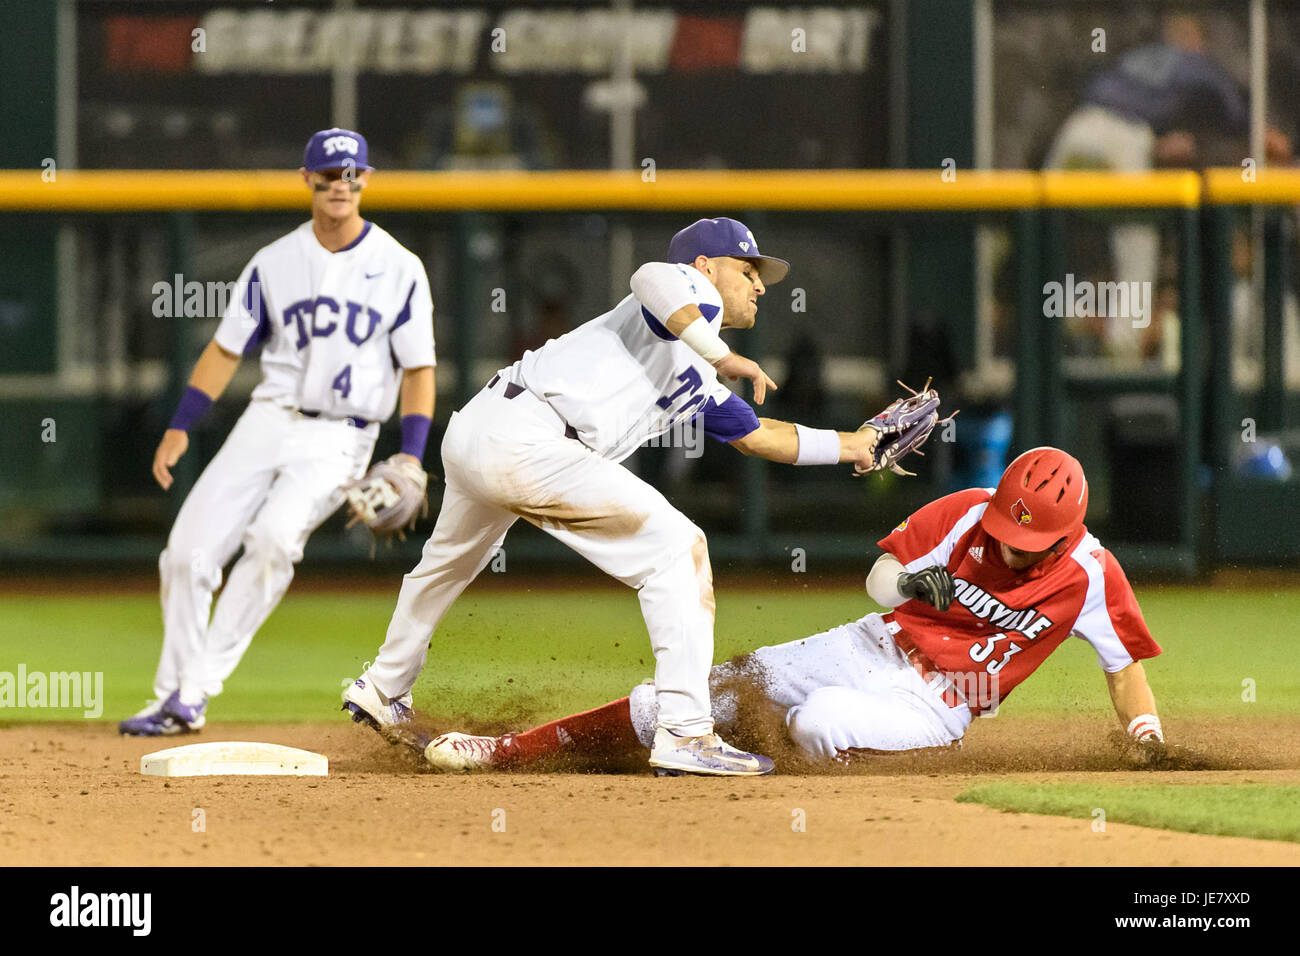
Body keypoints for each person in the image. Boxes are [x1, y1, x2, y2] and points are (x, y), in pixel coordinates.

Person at [341, 217, 914, 778]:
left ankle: (384, 686)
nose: (760, 284)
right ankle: (688, 731)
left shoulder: (694, 367)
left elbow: (760, 437)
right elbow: (651, 278)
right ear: (705, 267)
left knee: (444, 566)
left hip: (482, 430)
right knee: (678, 550)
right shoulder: (688, 296)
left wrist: (855, 446)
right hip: (532, 437)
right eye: (748, 269)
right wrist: (720, 353)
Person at [418, 447, 1168, 771]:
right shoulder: (971, 513)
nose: (1005, 548)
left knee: (816, 724)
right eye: (1004, 531)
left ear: (1066, 537)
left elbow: (1123, 664)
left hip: (937, 705)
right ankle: (509, 751)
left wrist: (1147, 735)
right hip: (868, 643)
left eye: (1024, 545)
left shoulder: (1094, 574)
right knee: (692, 699)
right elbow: (878, 578)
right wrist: (908, 585)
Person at [119, 129, 436, 735]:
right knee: (185, 555)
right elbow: (223, 349)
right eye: (328, 175)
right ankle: (174, 698)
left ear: (366, 179)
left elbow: (419, 370)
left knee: (271, 542)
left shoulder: (400, 267)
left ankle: (193, 691)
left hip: (342, 436)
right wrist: (180, 425)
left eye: (351, 174)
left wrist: (412, 456)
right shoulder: (273, 262)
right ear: (306, 180)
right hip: (267, 419)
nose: (340, 185)